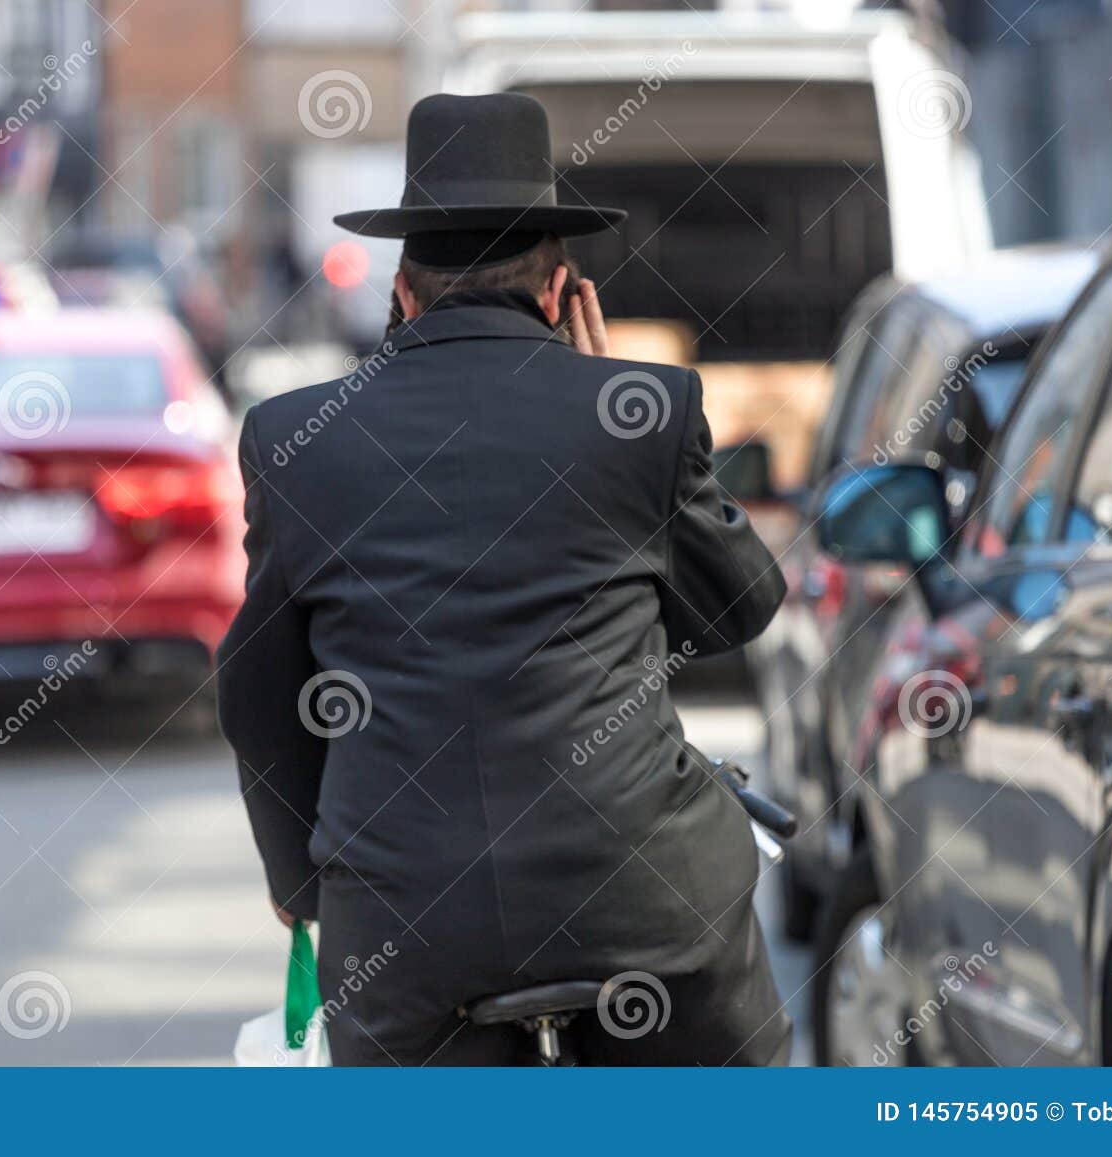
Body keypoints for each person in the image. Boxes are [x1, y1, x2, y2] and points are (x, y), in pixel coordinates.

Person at [217, 93, 790, 1066]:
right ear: (563, 289)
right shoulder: (641, 411)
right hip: (645, 905)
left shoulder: (295, 442)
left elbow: (257, 689)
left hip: (405, 932)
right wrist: (616, 403)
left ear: (401, 291)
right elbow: (740, 605)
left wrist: (298, 880)